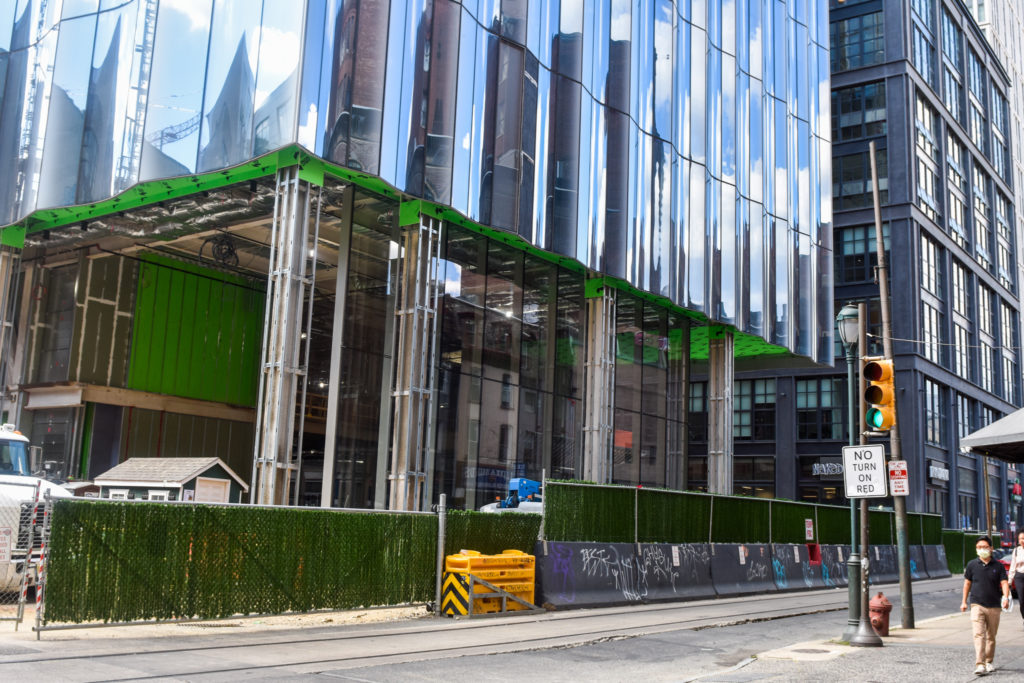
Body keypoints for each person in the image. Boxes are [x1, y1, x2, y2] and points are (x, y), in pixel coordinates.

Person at [961, 536, 1011, 675]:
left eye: (984, 547)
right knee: (978, 634)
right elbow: (967, 584)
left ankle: (988, 661)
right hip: (977, 604)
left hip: (994, 606)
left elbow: (1004, 583)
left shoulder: (998, 566)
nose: (981, 549)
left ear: (991, 548)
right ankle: (980, 664)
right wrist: (964, 601)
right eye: (979, 547)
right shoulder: (971, 565)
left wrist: (1005, 597)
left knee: (991, 636)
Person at [1008, 531, 1024, 622]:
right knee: (1022, 601)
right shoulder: (1016, 550)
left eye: (1023, 538)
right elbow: (1012, 566)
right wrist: (1009, 581)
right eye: (1020, 538)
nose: (1022, 540)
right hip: (1019, 577)